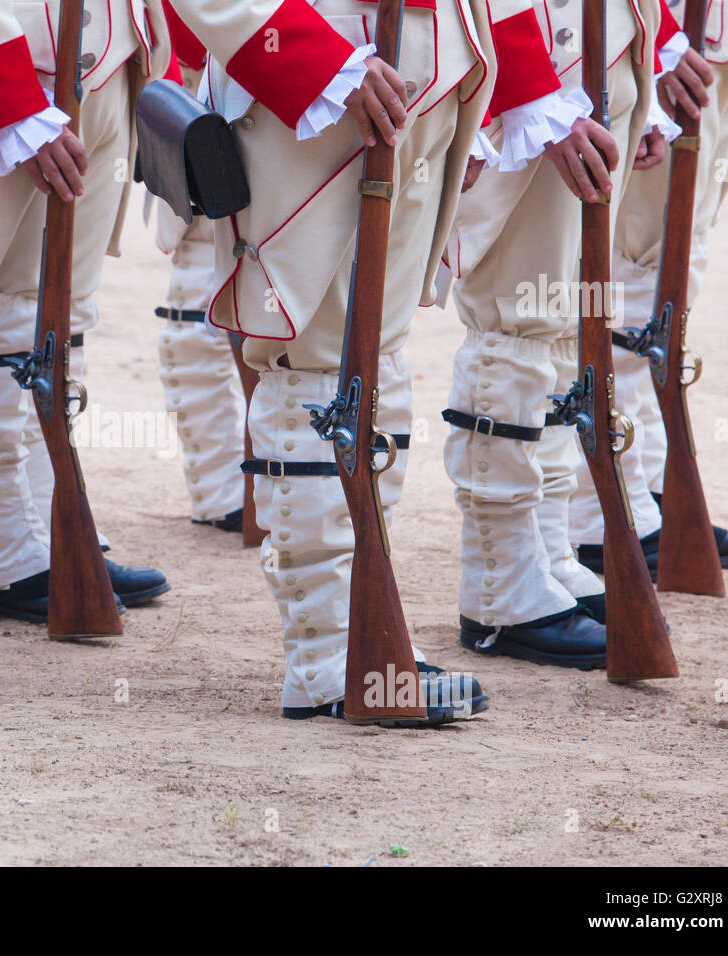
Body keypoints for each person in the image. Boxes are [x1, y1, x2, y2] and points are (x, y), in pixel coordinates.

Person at [165, 0, 503, 724]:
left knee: (374, 367)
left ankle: (367, 642)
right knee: (315, 367)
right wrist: (326, 66)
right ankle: (327, 659)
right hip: (311, 101)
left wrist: (467, 85)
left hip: (415, 88)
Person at [0, 0, 172, 624]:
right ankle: (2, 556)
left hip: (112, 62)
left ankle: (50, 532)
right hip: (19, 70)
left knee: (62, 317)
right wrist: (12, 102)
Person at [440, 0, 667, 669]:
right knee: (515, 326)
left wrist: (639, 71)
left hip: (603, 48)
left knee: (564, 331)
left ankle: (545, 553)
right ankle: (498, 587)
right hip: (542, 62)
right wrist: (531, 89)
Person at [568, 0, 728, 575]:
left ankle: (648, 487)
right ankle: (598, 512)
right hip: (674, 28)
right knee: (637, 271)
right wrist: (657, 39)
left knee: (677, 271)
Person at [150, 2, 246, 535]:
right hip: (194, 75)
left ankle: (265, 486)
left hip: (297, 70)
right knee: (196, 312)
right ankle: (220, 490)